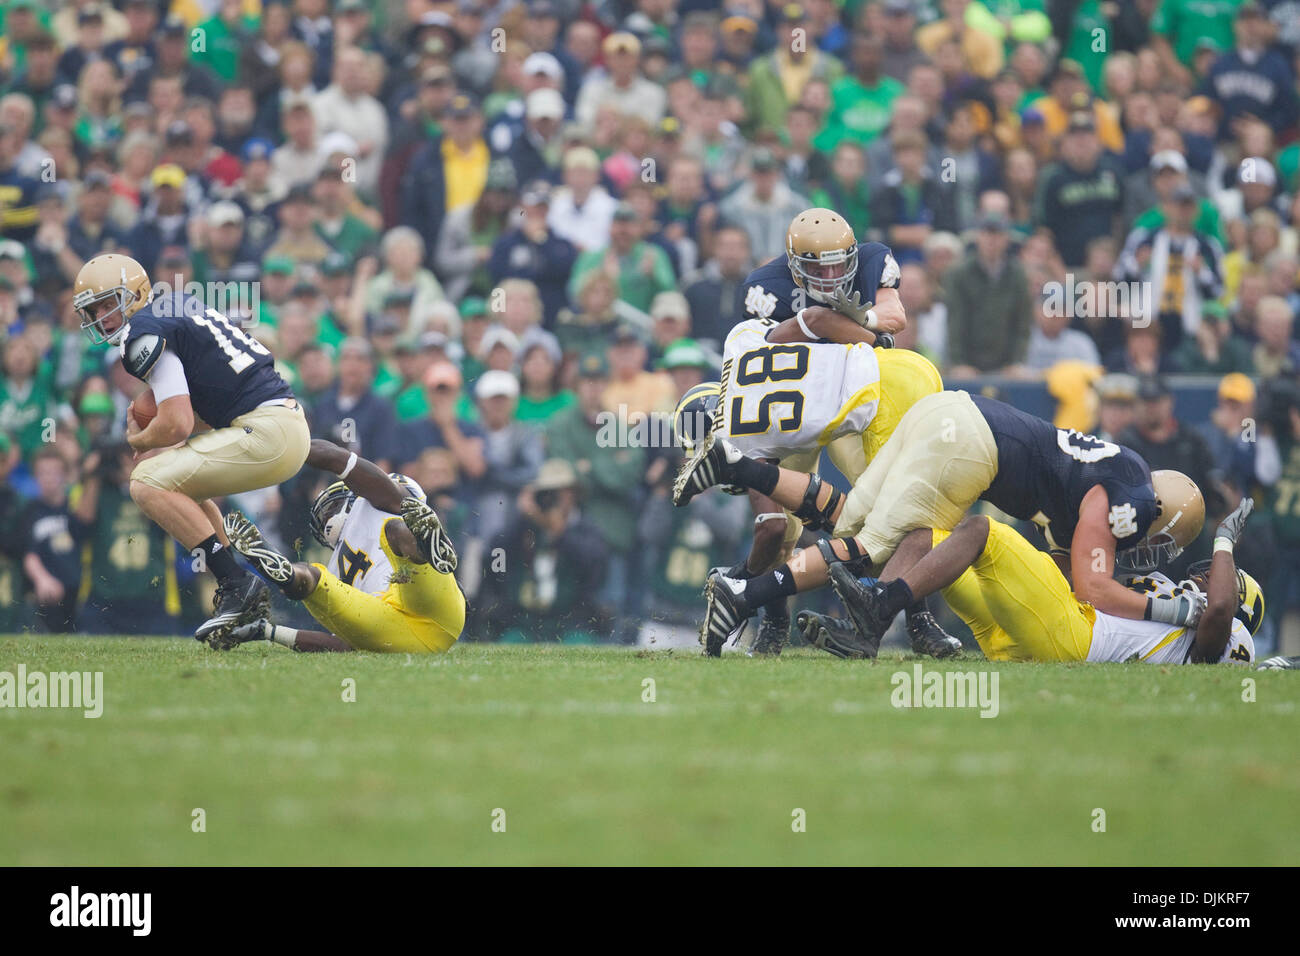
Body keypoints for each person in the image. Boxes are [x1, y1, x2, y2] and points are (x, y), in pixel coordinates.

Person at [679, 389, 1205, 654]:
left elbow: (1063, 582)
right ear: (1162, 517)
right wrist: (1168, 608)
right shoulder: (1132, 498)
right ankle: (743, 595)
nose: (1145, 551)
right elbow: (1092, 587)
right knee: (870, 546)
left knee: (852, 519)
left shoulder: (1116, 474)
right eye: (1161, 543)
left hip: (949, 413)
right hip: (974, 444)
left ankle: (735, 464)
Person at [73, 252, 310, 647]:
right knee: (173, 481)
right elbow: (205, 407)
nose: (102, 316)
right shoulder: (178, 305)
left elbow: (178, 422)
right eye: (93, 309)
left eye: (107, 303)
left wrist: (137, 439)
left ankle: (237, 585)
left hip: (267, 430)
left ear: (134, 294)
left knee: (145, 482)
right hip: (279, 422)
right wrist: (166, 436)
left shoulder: (143, 330)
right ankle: (242, 599)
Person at [802, 499, 1261, 665]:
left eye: (1218, 576)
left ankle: (878, 609)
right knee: (927, 533)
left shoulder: (1230, 630)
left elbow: (1218, 609)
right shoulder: (1161, 586)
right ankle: (870, 631)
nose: (1203, 574)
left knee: (981, 530)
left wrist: (1225, 541)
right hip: (1026, 633)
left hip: (1073, 639)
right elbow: (1070, 579)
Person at [222, 440, 463, 654]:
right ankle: (286, 573)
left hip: (422, 597)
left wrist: (294, 447)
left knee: (395, 529)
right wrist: (268, 632)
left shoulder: (366, 502)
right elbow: (343, 646)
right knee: (316, 577)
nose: (326, 518)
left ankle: (425, 546)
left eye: (330, 508)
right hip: (397, 625)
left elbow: (342, 461)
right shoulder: (334, 565)